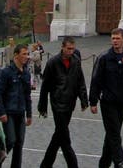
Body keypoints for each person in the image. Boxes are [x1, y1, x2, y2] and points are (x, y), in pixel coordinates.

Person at [89, 27, 123, 168]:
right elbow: (96, 80)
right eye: (113, 38)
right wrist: (93, 101)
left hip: (122, 101)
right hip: (108, 101)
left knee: (112, 134)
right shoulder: (104, 58)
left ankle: (104, 164)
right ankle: (120, 161)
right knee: (114, 132)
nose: (115, 41)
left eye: (118, 38)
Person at [38, 36, 88, 168]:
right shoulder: (53, 62)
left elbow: (80, 82)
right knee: (65, 138)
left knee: (58, 136)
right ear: (62, 47)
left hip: (70, 103)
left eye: (73, 49)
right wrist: (42, 106)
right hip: (57, 103)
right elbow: (45, 86)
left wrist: (84, 100)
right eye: (68, 49)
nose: (71, 51)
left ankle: (45, 165)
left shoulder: (76, 61)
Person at [0, 43, 32, 168]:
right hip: (8, 112)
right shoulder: (6, 72)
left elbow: (27, 95)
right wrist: (1, 112)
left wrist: (29, 114)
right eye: (24, 54)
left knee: (19, 144)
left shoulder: (26, 73)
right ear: (16, 55)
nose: (27, 56)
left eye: (27, 54)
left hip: (20, 112)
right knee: (10, 140)